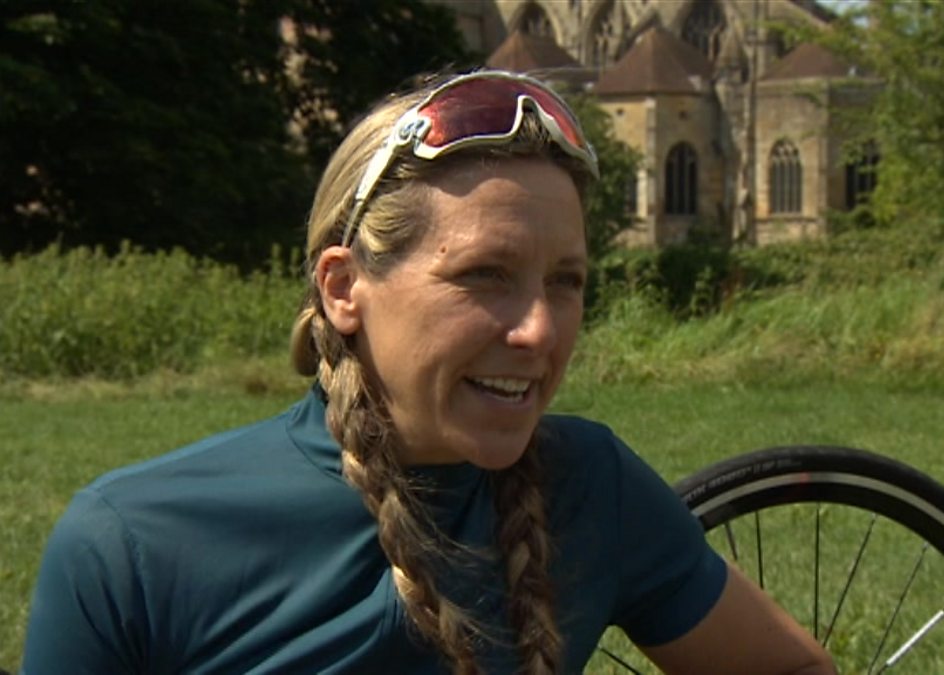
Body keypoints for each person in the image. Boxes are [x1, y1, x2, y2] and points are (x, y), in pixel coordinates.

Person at [21, 69, 835, 674]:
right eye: (484, 274)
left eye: (567, 281)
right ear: (345, 288)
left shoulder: (591, 484)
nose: (541, 328)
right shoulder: (133, 544)